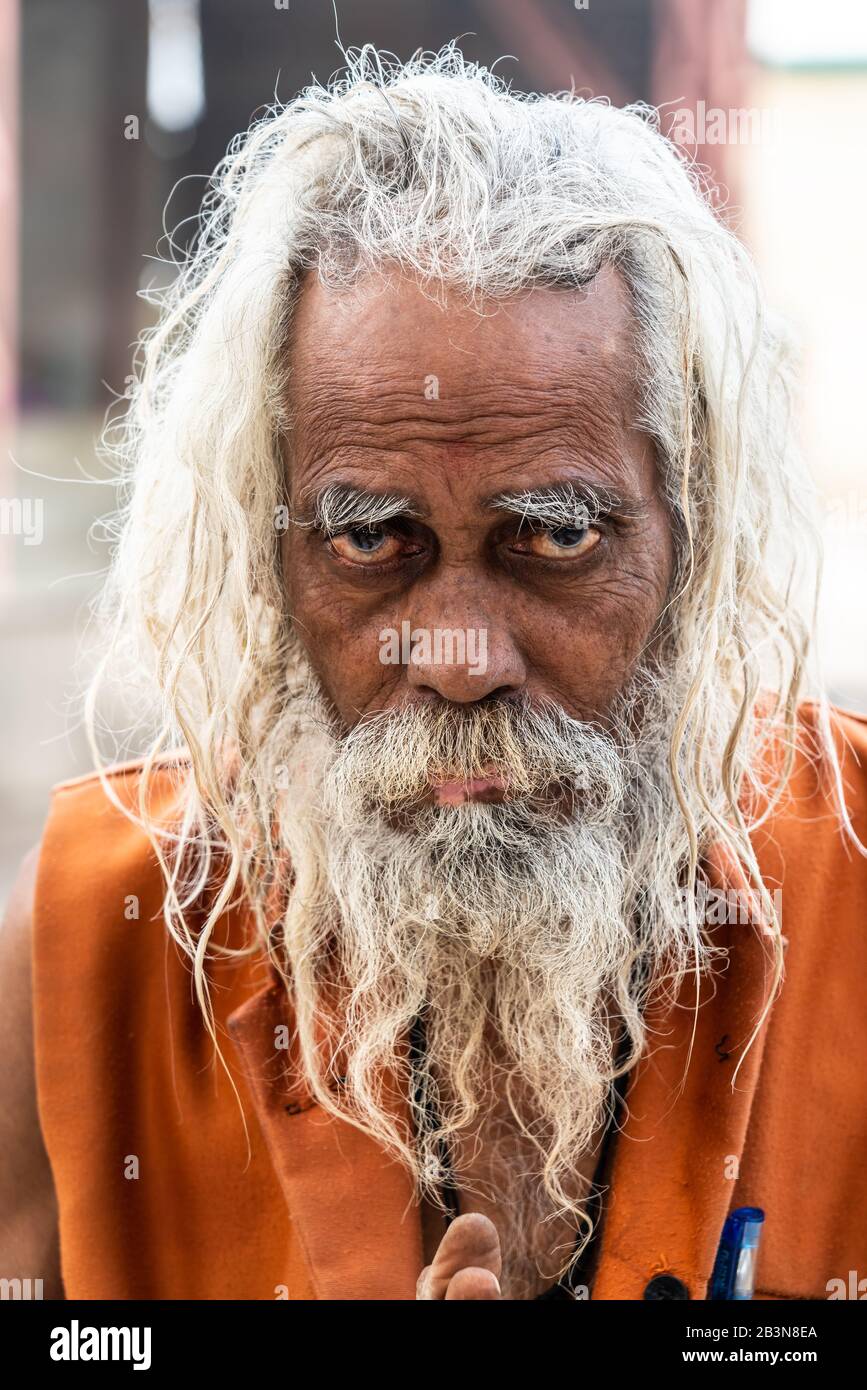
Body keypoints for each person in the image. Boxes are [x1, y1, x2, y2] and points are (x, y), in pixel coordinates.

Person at [2, 45, 866, 1302]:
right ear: (270, 553)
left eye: (557, 535)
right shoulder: (84, 958)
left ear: (693, 537)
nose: (460, 659)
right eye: (370, 539)